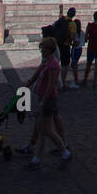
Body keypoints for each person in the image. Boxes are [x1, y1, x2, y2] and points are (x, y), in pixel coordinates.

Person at [26, 38, 71, 169]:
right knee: (42, 130)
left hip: (48, 100)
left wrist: (42, 103)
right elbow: (36, 75)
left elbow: (51, 85)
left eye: (43, 49)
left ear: (49, 50)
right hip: (44, 99)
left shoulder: (53, 64)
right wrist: (27, 85)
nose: (41, 51)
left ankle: (64, 152)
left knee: (47, 130)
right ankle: (37, 159)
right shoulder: (47, 62)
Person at [82, 9, 97, 89]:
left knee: (88, 64)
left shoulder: (89, 25)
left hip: (91, 46)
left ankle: (85, 80)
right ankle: (94, 81)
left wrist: (89, 37)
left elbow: (85, 37)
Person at [68, 8, 84, 86]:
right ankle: (76, 80)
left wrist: (71, 44)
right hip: (80, 49)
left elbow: (75, 43)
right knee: (75, 65)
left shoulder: (76, 33)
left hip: (76, 49)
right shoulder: (82, 32)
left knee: (74, 65)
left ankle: (76, 80)